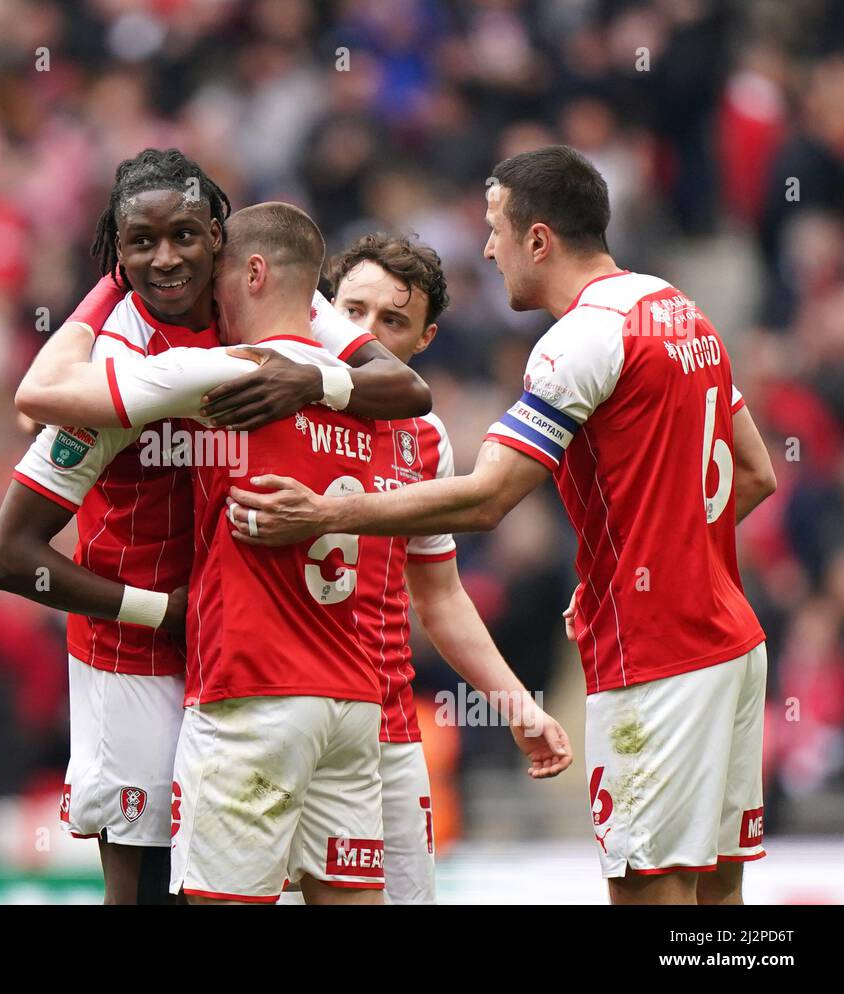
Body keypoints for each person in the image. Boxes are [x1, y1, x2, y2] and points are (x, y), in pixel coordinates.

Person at [225, 146, 777, 906]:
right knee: (717, 893)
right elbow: (755, 472)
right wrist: (655, 557)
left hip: (655, 652)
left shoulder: (577, 341)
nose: (488, 249)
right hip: (730, 642)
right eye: (354, 312)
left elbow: (486, 500)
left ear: (538, 240)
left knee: (653, 891)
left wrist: (325, 513)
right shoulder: (678, 309)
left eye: (496, 230)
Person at [0, 148, 430, 904]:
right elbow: (11, 554)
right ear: (117, 251)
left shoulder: (277, 318)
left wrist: (313, 380)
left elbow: (405, 388)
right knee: (152, 889)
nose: (166, 260)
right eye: (140, 243)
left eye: (185, 236)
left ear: (220, 237)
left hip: (244, 651)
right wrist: (164, 612)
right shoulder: (119, 354)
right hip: (135, 653)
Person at [322, 232, 570, 904]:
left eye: (392, 320)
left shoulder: (424, 438)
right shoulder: (271, 405)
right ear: (325, 308)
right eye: (353, 310)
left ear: (424, 339)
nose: (366, 332)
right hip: (277, 712)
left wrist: (517, 705)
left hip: (384, 721)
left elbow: (440, 596)